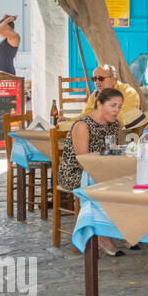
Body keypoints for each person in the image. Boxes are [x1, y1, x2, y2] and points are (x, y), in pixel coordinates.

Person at [57, 86, 125, 257]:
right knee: (103, 185)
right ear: (100, 104)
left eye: (119, 107)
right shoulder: (82, 125)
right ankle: (101, 235)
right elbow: (83, 162)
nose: (117, 110)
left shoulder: (115, 125)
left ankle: (123, 229)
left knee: (127, 181)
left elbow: (115, 152)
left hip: (103, 171)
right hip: (75, 173)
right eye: (113, 105)